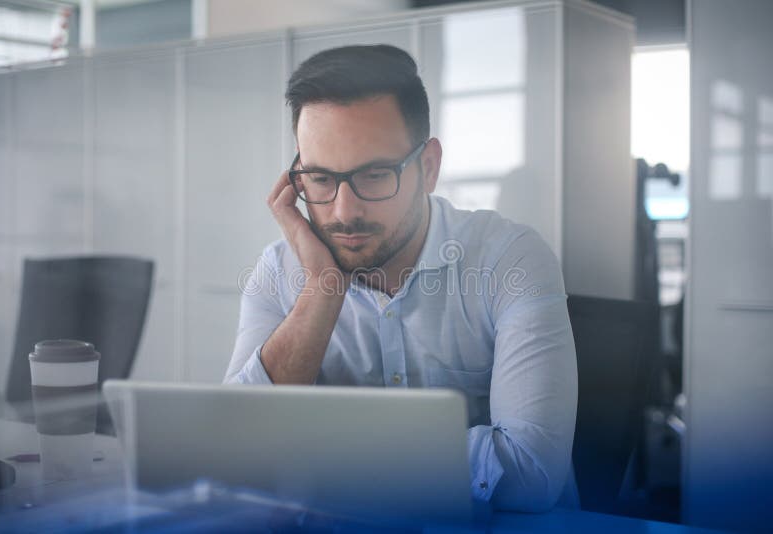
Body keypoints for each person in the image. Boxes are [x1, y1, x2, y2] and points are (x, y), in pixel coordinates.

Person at [224, 44, 578, 512]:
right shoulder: (277, 273)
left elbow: (529, 475)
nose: (344, 212)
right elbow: (234, 449)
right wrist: (322, 291)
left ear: (428, 168)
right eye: (321, 179)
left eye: (374, 175)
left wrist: (312, 451)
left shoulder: (510, 260)